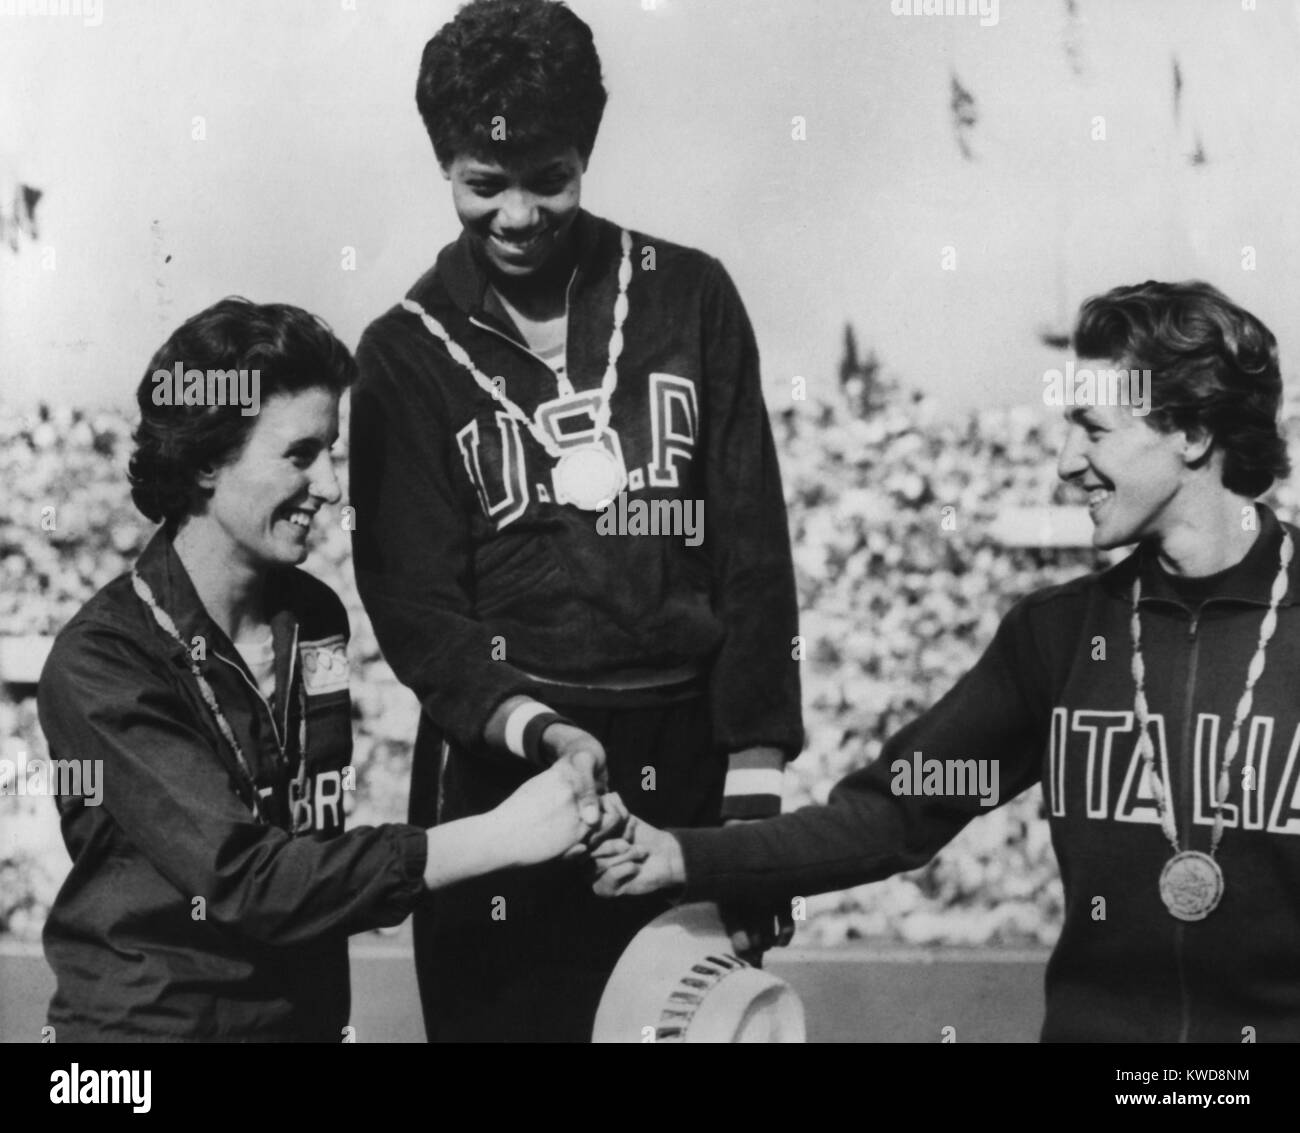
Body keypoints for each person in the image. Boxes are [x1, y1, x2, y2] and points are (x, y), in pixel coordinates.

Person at [593, 279, 1300, 1043]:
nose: (1065, 462)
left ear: (1192, 433)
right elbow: (894, 811)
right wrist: (683, 852)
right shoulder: (1059, 634)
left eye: (1092, 429)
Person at [350, 0, 803, 1042]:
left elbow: (752, 555)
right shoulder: (402, 354)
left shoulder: (690, 296)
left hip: (682, 754)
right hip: (505, 759)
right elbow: (416, 608)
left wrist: (754, 796)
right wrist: (534, 726)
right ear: (445, 168)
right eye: (483, 183)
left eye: (547, 177)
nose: (516, 213)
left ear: (585, 154)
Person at [37, 297, 606, 1042]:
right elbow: (249, 879)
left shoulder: (315, 617)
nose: (333, 487)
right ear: (207, 458)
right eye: (302, 455)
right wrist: (492, 837)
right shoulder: (100, 662)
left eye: (331, 452)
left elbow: (311, 842)